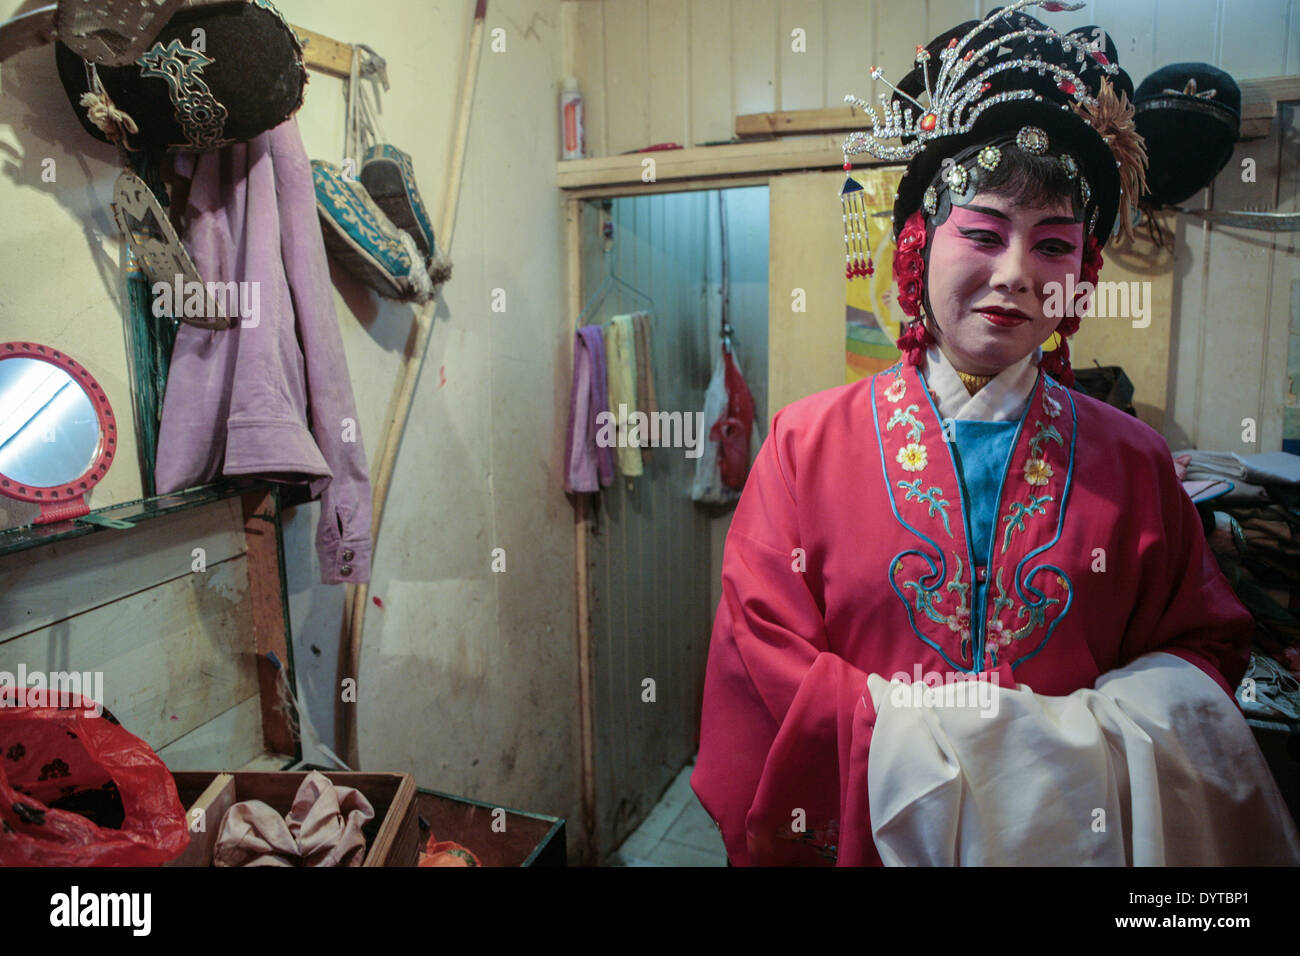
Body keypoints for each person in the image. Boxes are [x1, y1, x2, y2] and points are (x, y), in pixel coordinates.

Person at [691, 1, 1300, 866]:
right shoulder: (804, 445)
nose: (1015, 274)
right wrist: (933, 746)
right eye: (981, 231)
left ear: (1080, 274)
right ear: (918, 245)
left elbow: (1203, 644)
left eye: (1053, 245)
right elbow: (761, 662)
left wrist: (1070, 747)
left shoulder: (1133, 462)